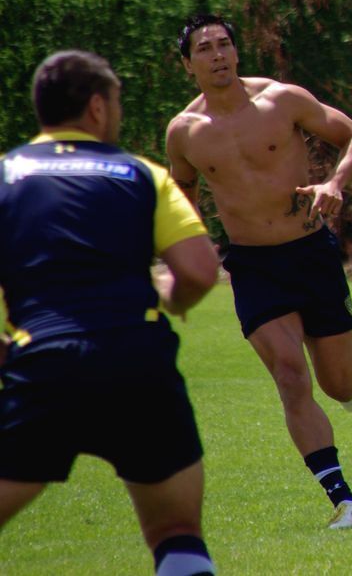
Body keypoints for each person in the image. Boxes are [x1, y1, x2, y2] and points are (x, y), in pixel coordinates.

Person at [1, 51, 221, 574]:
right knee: (177, 533)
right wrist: (173, 299)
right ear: (97, 108)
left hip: (45, 362)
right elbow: (198, 271)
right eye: (117, 101)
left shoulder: (6, 176)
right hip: (135, 361)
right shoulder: (140, 174)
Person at [164, 14, 352, 528]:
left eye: (224, 44)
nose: (217, 55)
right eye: (204, 48)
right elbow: (182, 199)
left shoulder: (283, 99)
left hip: (311, 254)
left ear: (237, 52)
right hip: (254, 265)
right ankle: (344, 501)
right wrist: (183, 258)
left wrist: (334, 185)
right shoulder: (184, 132)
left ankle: (351, 383)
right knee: (288, 373)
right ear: (187, 63)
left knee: (339, 385)